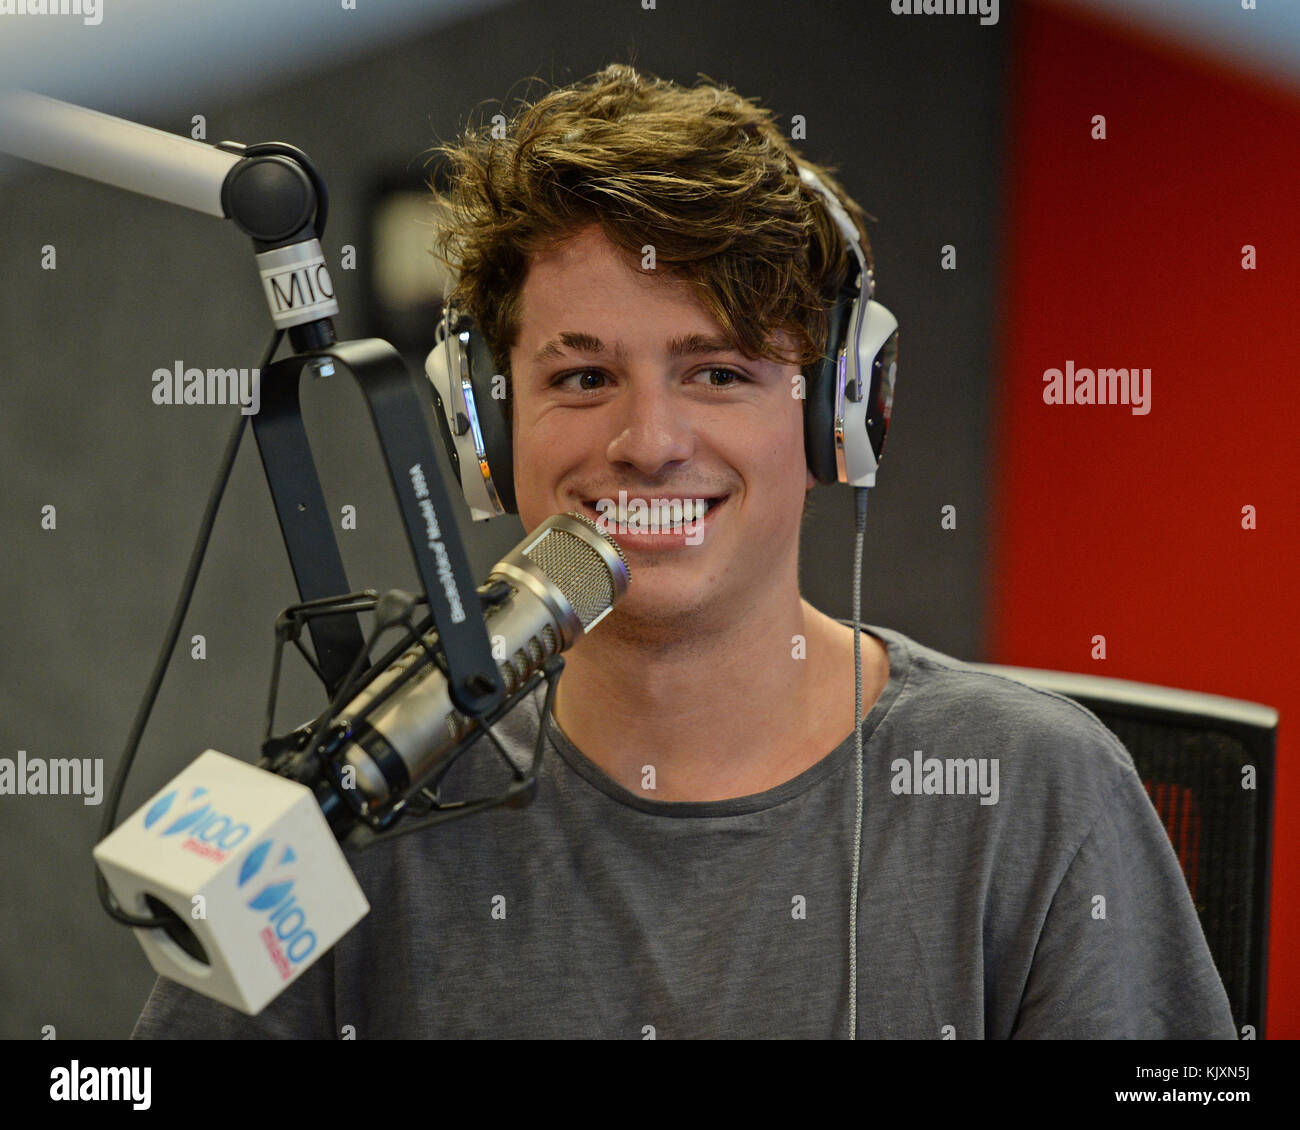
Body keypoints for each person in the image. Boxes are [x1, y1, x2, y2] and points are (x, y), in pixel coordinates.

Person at [131, 63, 1235, 1039]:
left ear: (837, 419)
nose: (648, 443)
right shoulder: (367, 786)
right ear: (482, 428)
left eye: (717, 371)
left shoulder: (1030, 792)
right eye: (580, 375)